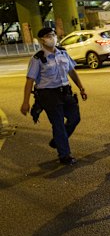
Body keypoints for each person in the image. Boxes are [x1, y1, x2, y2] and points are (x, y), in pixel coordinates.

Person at [20, 27, 87, 165]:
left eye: (53, 34)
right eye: (47, 36)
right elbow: (29, 81)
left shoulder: (63, 53)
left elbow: (72, 71)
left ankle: (58, 140)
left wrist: (81, 87)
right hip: (48, 95)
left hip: (65, 92)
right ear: (41, 40)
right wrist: (25, 102)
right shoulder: (37, 59)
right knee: (58, 125)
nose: (51, 37)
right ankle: (65, 154)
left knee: (75, 118)